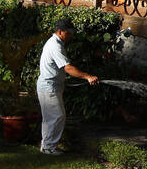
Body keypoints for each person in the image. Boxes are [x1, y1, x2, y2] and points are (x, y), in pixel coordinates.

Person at [37, 16, 100, 155]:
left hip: (50, 86)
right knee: (57, 116)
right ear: (60, 31)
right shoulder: (55, 46)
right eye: (68, 32)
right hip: (49, 87)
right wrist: (88, 77)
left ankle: (47, 146)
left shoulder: (56, 43)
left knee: (51, 117)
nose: (71, 35)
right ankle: (49, 147)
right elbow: (68, 68)